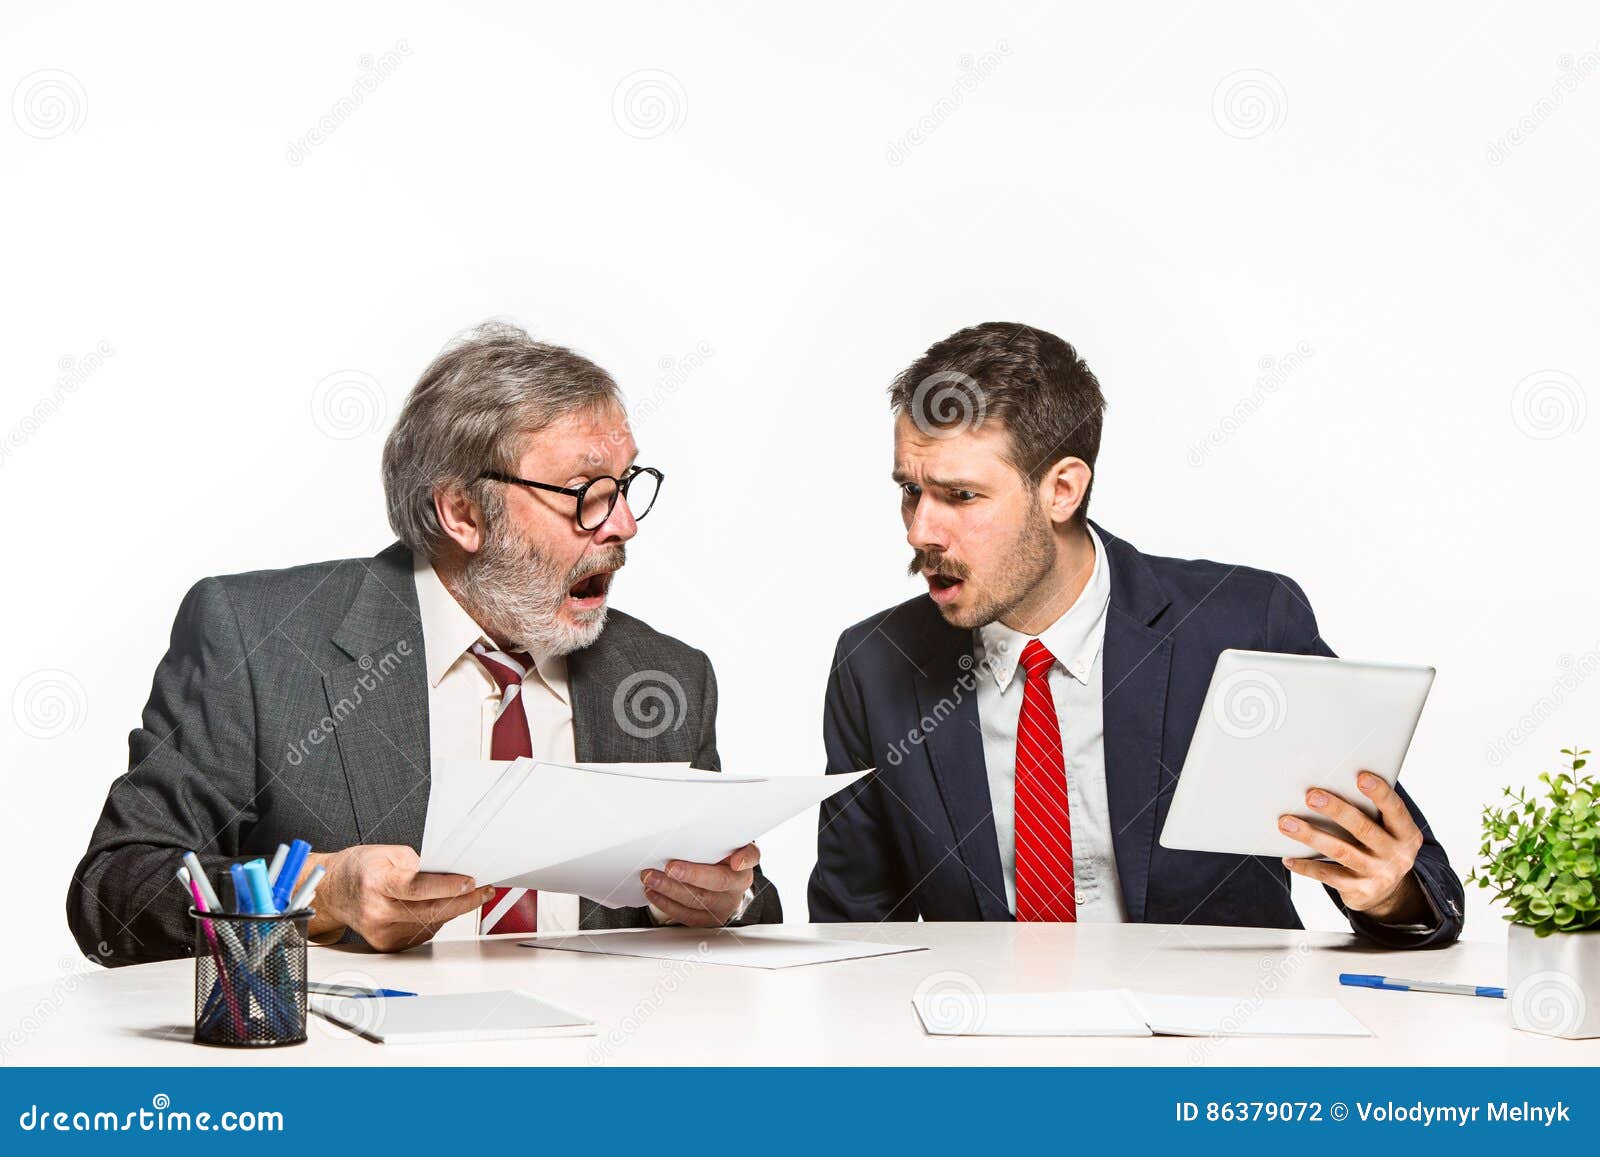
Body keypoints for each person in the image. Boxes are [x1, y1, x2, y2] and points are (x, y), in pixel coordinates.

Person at [69, 322, 778, 965]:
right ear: (462, 512)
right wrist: (315, 894)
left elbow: (750, 912)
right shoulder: (258, 640)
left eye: (624, 485)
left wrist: (724, 901)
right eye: (587, 492)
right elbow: (114, 892)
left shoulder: (665, 677)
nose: (623, 523)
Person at [808, 322, 1462, 946]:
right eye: (910, 490)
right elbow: (854, 937)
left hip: (1216, 1023)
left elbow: (1412, 879)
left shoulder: (1244, 628)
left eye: (960, 495)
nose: (920, 530)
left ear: (1062, 490)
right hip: (985, 1022)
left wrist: (1389, 894)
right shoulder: (874, 665)